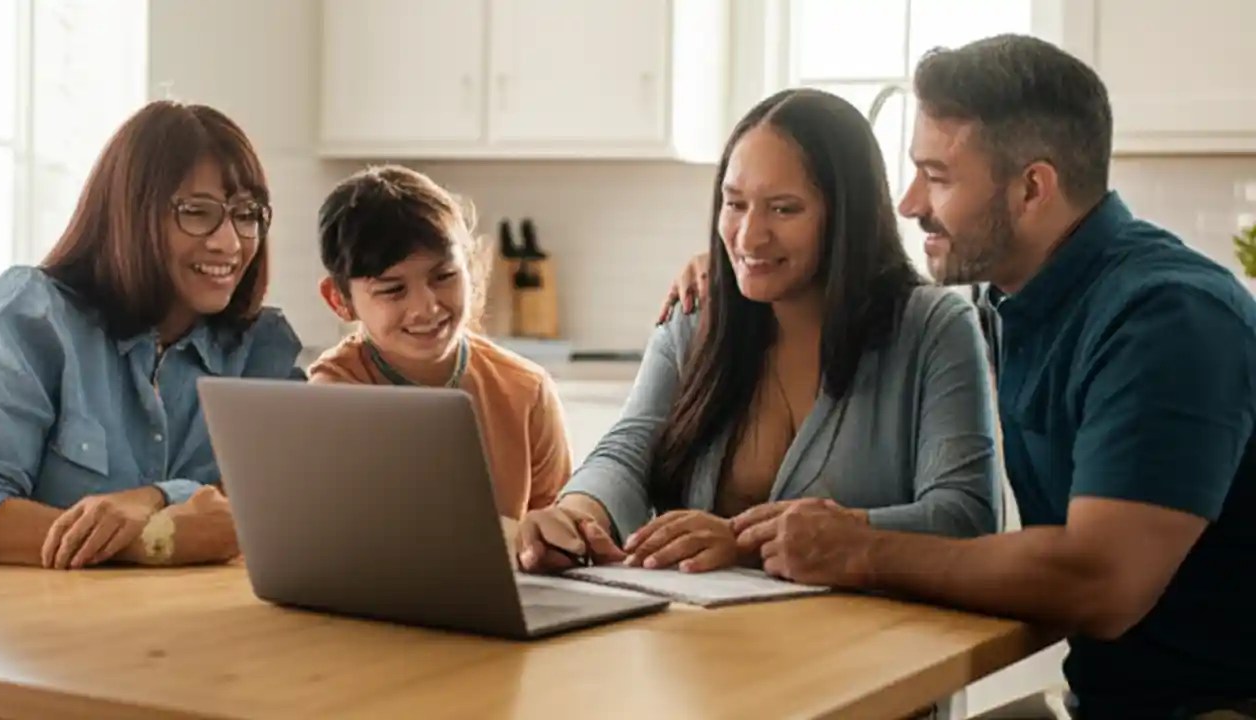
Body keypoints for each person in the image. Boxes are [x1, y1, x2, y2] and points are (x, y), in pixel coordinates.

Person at [699, 36, 1254, 719]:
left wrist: (860, 550)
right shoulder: (1010, 302)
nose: (908, 204)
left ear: (1031, 188)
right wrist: (728, 273)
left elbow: (1100, 583)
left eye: (936, 176)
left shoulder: (1169, 317)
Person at [516, 88, 1001, 576]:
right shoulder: (696, 312)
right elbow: (627, 452)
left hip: (867, 644)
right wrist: (575, 516)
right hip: (703, 640)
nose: (749, 237)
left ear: (845, 216)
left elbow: (964, 517)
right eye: (735, 204)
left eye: (784, 209)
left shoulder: (934, 328)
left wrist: (742, 541)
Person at [0, 101, 303, 569]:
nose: (229, 242)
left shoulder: (261, 350)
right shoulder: (35, 316)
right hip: (48, 631)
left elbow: (281, 502)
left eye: (246, 214)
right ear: (130, 214)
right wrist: (151, 541)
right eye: (197, 212)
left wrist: (153, 498)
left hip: (209, 631)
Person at [307, 164, 571, 520]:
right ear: (339, 300)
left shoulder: (527, 391)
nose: (426, 307)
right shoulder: (332, 393)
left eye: (444, 276)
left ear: (471, 268)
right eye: (393, 290)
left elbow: (557, 528)